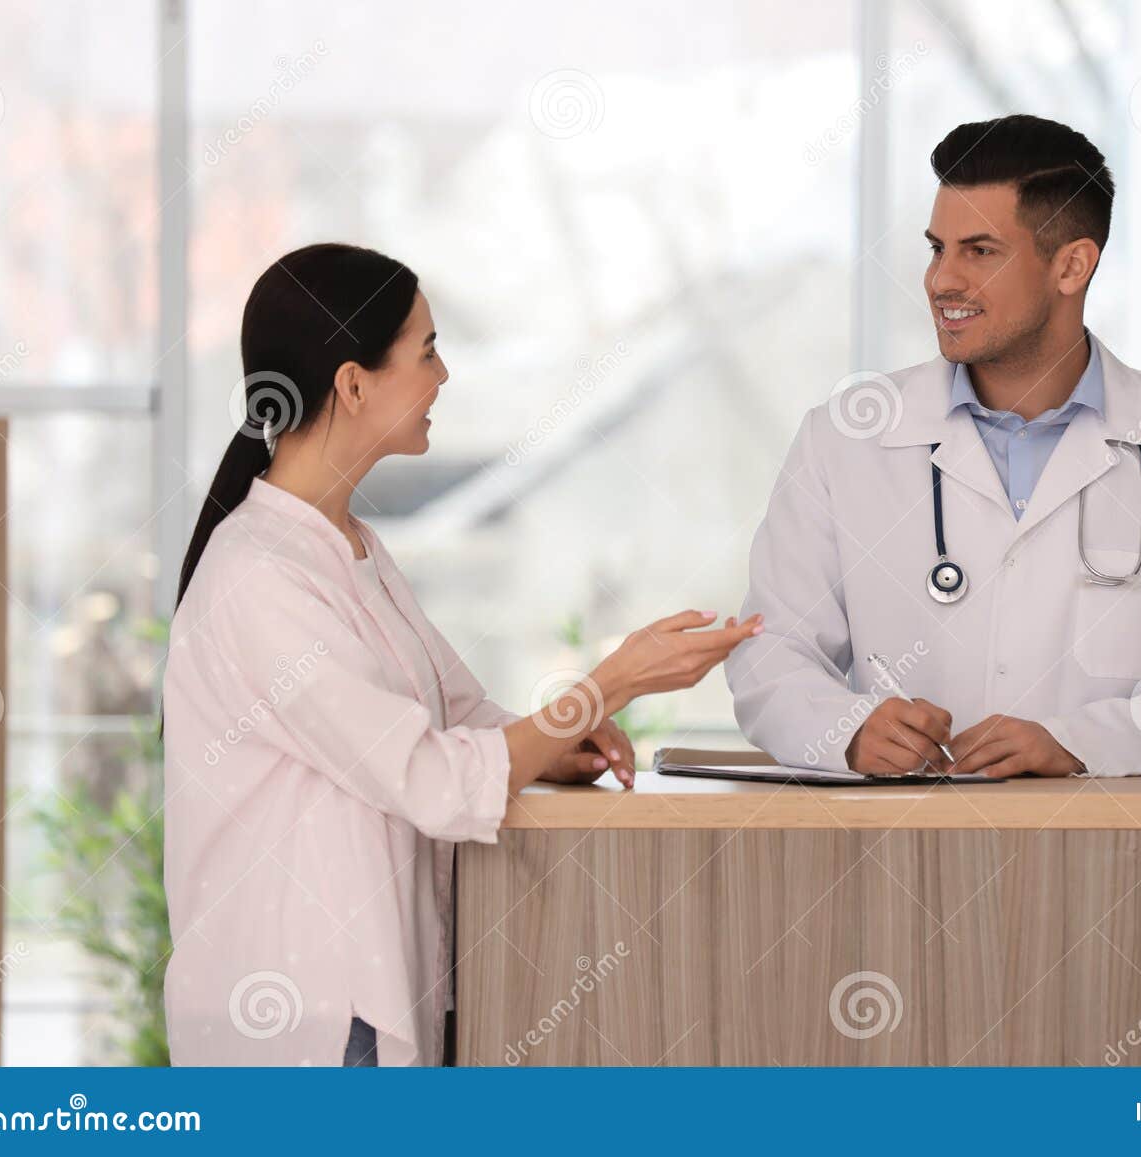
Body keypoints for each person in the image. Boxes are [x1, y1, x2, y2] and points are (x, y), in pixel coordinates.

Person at [162, 243, 760, 1066]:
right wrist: (612, 681)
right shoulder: (260, 576)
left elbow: (458, 713)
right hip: (308, 1019)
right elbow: (430, 778)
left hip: (369, 995)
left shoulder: (349, 546)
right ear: (353, 383)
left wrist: (556, 744)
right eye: (427, 351)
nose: (443, 376)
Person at [726, 115, 1141, 781]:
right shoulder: (844, 440)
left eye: (980, 251)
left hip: (1116, 840)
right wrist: (848, 728)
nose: (941, 280)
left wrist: (1082, 742)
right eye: (937, 248)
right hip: (903, 836)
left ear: (1072, 265)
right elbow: (771, 654)